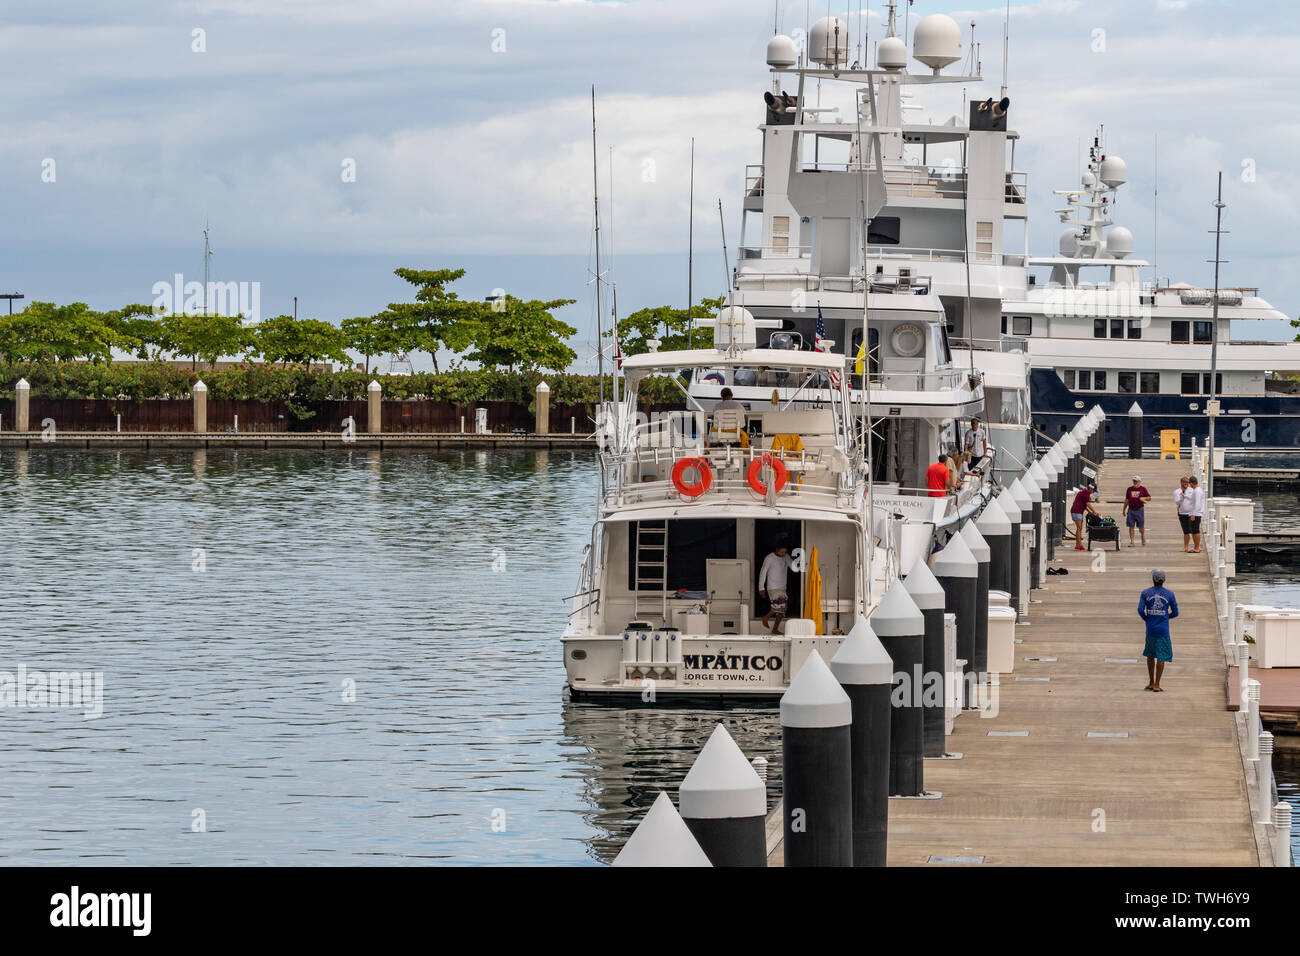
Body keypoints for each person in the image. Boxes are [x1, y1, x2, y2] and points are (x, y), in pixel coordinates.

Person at [1138, 568, 1179, 692]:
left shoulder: (1145, 593)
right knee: (1161, 656)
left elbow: (1140, 610)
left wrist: (1147, 618)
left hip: (1150, 629)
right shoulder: (1170, 594)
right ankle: (1157, 684)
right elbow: (1175, 612)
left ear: (1153, 579)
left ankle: (1151, 682)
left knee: (1150, 655)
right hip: (1163, 630)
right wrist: (1166, 616)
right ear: (1164, 580)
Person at [758, 544, 797, 635]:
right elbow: (763, 572)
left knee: (782, 609)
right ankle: (766, 617)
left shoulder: (786, 557)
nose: (783, 554)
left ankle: (775, 629)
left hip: (782, 587)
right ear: (777, 549)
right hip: (773, 587)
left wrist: (799, 564)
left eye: (785, 552)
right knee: (779, 606)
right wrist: (761, 587)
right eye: (782, 551)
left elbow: (793, 567)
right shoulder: (769, 558)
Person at [1122, 475, 1153, 547]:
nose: (1135, 482)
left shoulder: (1143, 489)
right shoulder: (1129, 489)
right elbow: (1126, 500)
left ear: (1139, 481)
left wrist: (1144, 498)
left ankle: (1142, 536)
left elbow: (1149, 498)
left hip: (1139, 510)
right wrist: (1124, 510)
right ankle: (1132, 542)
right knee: (1131, 526)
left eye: (1136, 481)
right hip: (1131, 510)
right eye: (1134, 481)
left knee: (1140, 527)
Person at [1070, 483, 1100, 551]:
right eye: (1093, 490)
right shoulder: (1086, 493)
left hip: (1076, 511)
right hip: (1077, 511)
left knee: (1079, 528)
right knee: (1079, 528)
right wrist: (1094, 511)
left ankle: (1077, 545)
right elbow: (1087, 503)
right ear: (1091, 488)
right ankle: (1079, 545)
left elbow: (1084, 504)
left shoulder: (1084, 491)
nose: (1093, 492)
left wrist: (1090, 512)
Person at [1173, 476, 1196, 552]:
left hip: (1191, 513)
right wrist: (1182, 497)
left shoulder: (1192, 490)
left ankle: (1196, 546)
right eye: (1184, 482)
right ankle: (1185, 547)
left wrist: (1185, 495)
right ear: (1181, 482)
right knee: (1186, 531)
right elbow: (1177, 502)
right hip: (1182, 513)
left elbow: (1194, 500)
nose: (1186, 483)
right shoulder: (1177, 491)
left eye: (1187, 482)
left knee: (1193, 530)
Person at [1186, 476, 1205, 553]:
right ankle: (1197, 547)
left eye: (1189, 483)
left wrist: (1193, 514)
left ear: (1192, 483)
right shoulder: (1198, 490)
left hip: (1196, 514)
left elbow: (1197, 504)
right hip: (1196, 513)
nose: (1189, 485)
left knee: (1195, 531)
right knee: (1195, 530)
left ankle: (1196, 548)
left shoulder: (1197, 491)